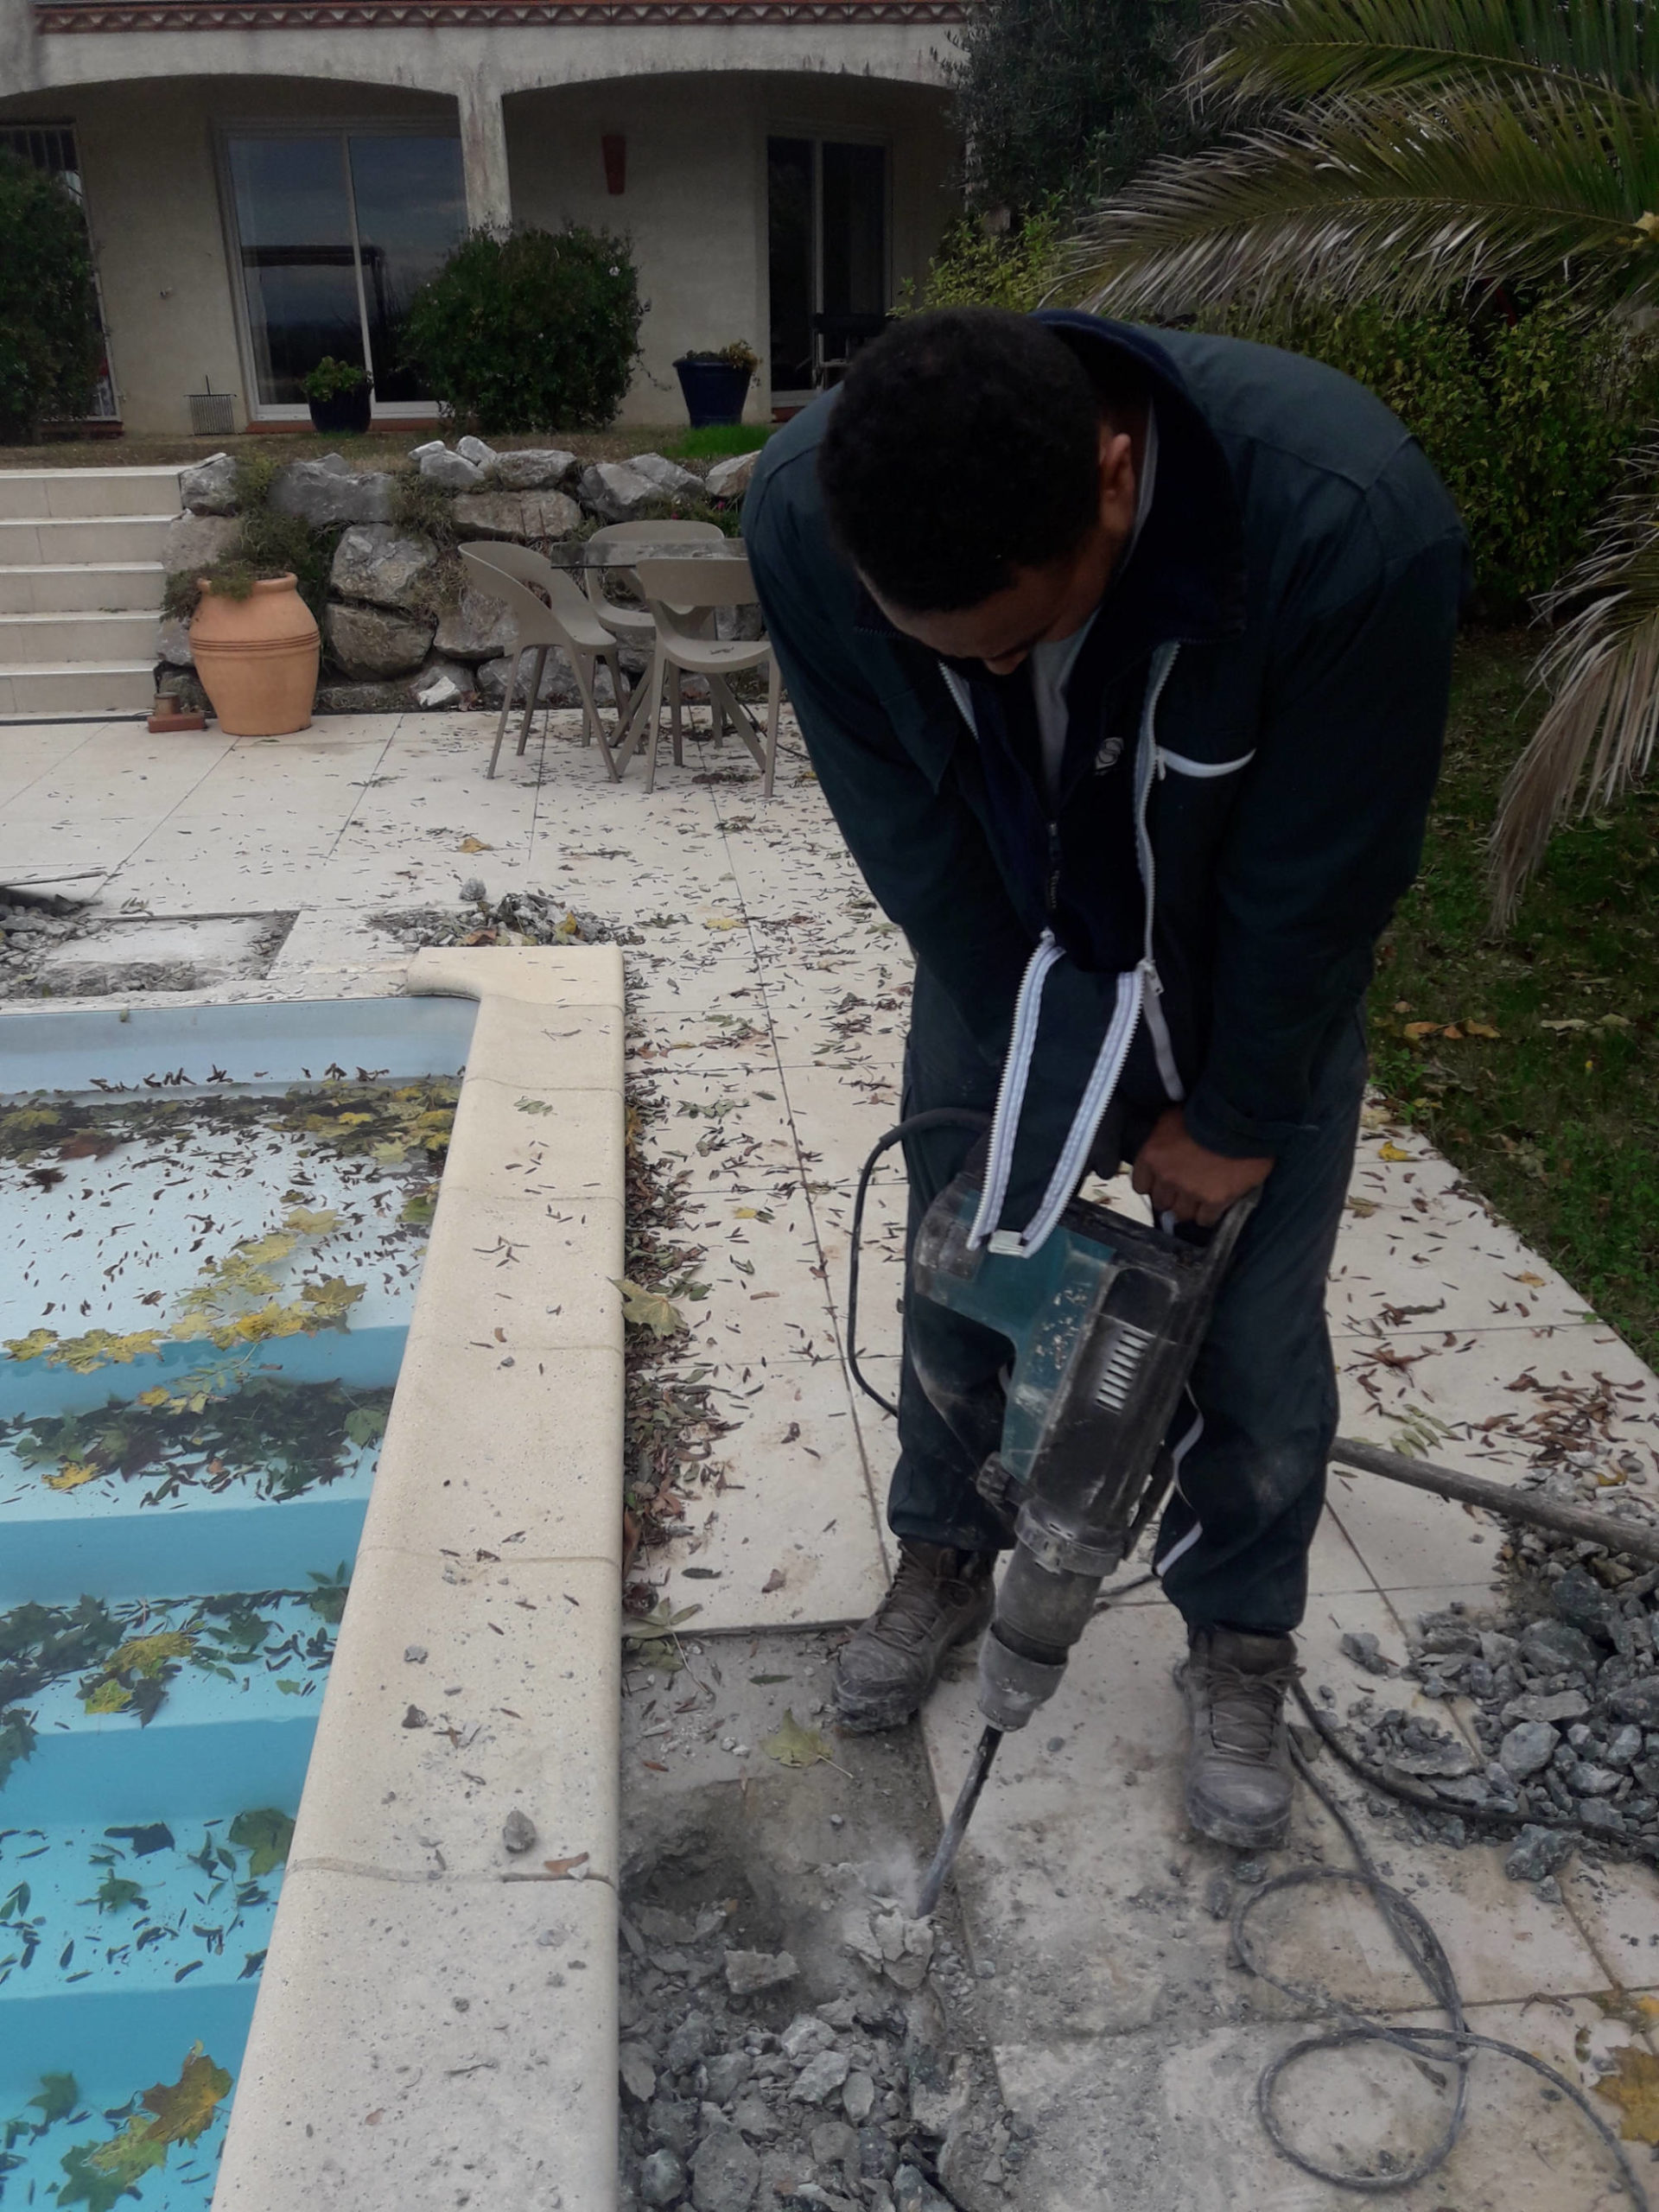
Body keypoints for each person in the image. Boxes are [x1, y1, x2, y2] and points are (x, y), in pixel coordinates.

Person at [743, 308, 1466, 1850]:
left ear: (1115, 479)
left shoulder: (1344, 525)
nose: (997, 670)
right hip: (1004, 946)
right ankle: (942, 1551)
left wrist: (1234, 1111)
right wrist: (1083, 1084)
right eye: (958, 657)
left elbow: (1321, 879)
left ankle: (1242, 1641)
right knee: (964, 1265)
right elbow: (914, 840)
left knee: (1253, 1336)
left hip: (1241, 957)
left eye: (1018, 635)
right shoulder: (809, 521)